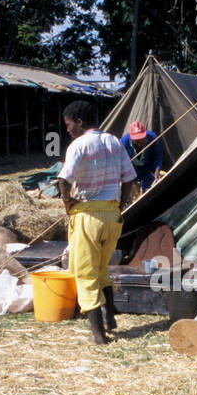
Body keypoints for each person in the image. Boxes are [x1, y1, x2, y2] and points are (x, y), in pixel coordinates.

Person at [57, 100, 139, 344]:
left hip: (87, 216)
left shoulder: (78, 145)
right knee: (102, 269)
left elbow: (64, 179)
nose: (68, 130)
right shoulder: (114, 141)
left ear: (80, 122)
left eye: (69, 125)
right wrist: (121, 205)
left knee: (85, 274)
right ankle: (110, 318)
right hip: (113, 216)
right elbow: (130, 179)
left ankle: (98, 335)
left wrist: (67, 202)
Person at [119, 121, 162, 193]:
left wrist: (157, 168)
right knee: (128, 192)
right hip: (131, 171)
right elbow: (119, 161)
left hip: (147, 169)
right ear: (131, 137)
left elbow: (158, 155)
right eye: (136, 140)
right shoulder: (123, 143)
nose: (140, 142)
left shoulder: (152, 137)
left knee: (150, 189)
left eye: (141, 138)